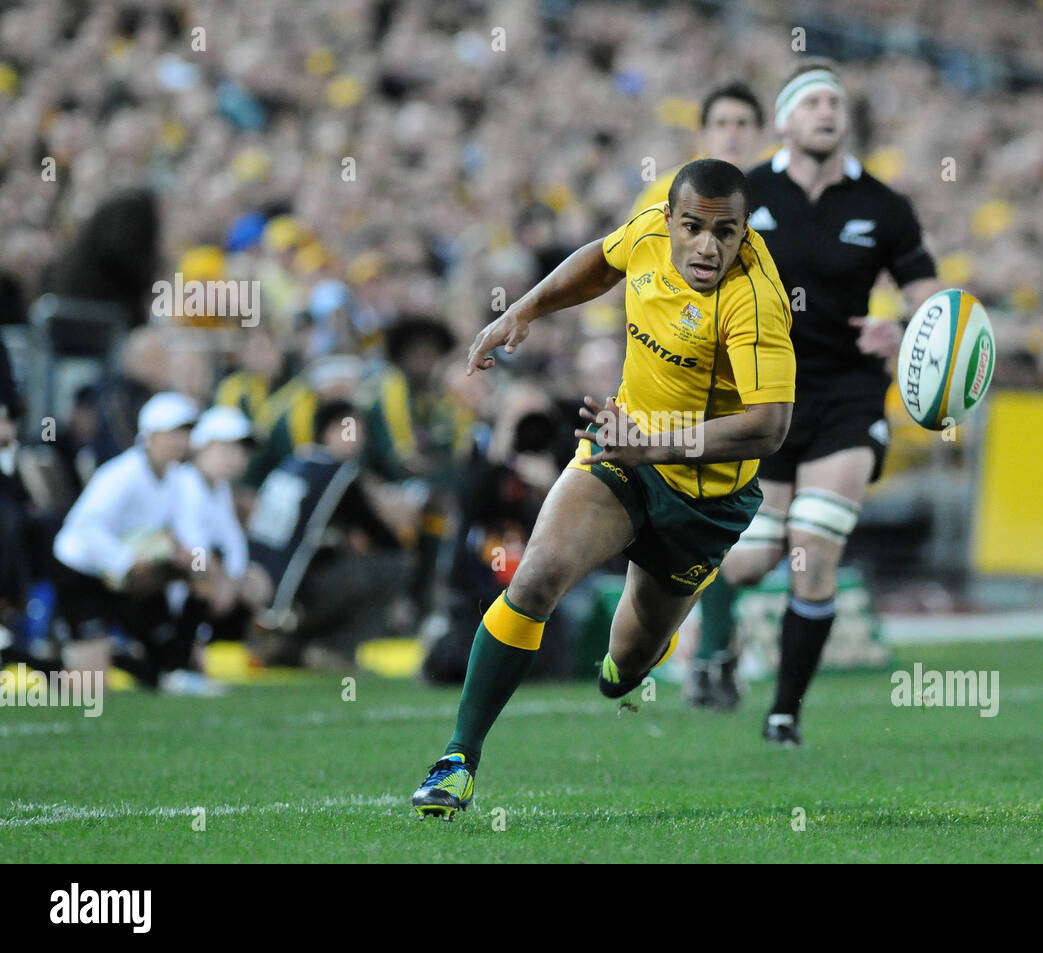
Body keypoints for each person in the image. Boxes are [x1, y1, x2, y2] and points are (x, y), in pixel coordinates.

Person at [410, 158, 795, 820]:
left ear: (744, 231)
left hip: (705, 498)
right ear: (670, 220)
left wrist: (660, 444)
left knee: (626, 663)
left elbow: (770, 426)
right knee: (534, 580)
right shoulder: (647, 231)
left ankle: (647, 648)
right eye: (695, 228)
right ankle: (457, 758)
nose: (708, 246)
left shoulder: (756, 298)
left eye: (725, 232)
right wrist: (524, 311)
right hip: (621, 450)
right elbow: (601, 258)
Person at [691, 60, 941, 744]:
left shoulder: (883, 205)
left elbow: (929, 294)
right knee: (747, 559)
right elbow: (700, 279)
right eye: (812, 102)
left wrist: (907, 326)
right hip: (767, 398)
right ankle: (717, 649)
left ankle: (784, 712)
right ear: (785, 121)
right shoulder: (747, 193)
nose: (826, 111)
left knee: (815, 548)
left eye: (835, 102)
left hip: (849, 395)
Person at [51, 392, 209, 692]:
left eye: (185, 433)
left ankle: (171, 664)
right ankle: (29, 658)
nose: (180, 441)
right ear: (149, 437)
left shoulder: (178, 479)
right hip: (86, 573)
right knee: (88, 686)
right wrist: (125, 561)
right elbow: (85, 526)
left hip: (132, 576)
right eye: (173, 433)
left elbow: (192, 535)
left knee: (203, 578)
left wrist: (196, 561)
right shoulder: (122, 474)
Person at [245, 399, 412, 668]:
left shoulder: (296, 461)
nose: (359, 439)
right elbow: (379, 534)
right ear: (329, 432)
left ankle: (290, 647)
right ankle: (335, 648)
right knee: (395, 565)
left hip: (266, 584)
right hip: (298, 593)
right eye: (351, 429)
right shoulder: (337, 473)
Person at [172, 406, 272, 648]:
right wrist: (219, 579)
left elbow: (234, 544)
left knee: (257, 580)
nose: (236, 458)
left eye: (240, 451)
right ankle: (189, 649)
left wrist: (236, 579)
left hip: (208, 578)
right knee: (203, 578)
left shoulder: (220, 489)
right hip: (176, 577)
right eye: (227, 449)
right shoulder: (184, 484)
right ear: (202, 447)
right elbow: (192, 547)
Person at [630, 81, 766, 216]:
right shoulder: (665, 192)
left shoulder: (774, 189)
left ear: (760, 135)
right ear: (702, 136)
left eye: (742, 124)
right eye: (721, 124)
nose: (732, 135)